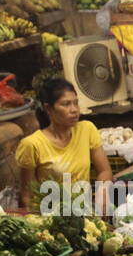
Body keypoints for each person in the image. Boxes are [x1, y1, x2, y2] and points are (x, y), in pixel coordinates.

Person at [15, 77, 112, 211]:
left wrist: (102, 194)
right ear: (48, 108)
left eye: (76, 103)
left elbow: (105, 171)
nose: (74, 110)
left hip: (85, 212)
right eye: (66, 104)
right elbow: (27, 196)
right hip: (53, 216)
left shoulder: (87, 129)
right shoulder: (32, 145)